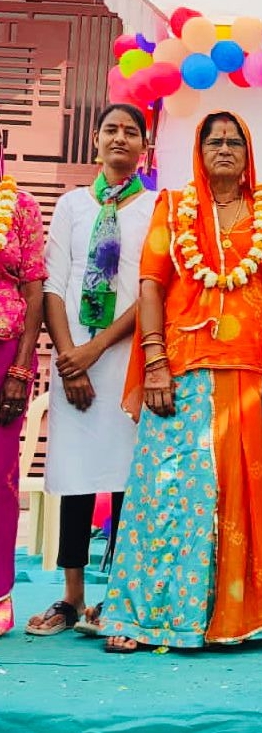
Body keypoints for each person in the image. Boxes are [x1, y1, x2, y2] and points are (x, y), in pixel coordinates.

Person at [99, 111, 262, 652]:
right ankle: (145, 617)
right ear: (199, 151)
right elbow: (152, 285)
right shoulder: (174, 207)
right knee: (165, 490)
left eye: (234, 142)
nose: (224, 149)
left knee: (239, 497)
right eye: (214, 141)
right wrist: (155, 360)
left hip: (249, 369)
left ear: (247, 153)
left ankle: (230, 616)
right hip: (181, 367)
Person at [25, 103, 155, 637]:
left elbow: (151, 290)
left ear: (144, 147)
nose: (119, 138)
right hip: (71, 358)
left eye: (131, 132)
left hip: (124, 359)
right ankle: (73, 597)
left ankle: (117, 598)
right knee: (75, 478)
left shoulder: (156, 208)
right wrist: (67, 356)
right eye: (111, 130)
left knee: (127, 477)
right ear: (96, 142)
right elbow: (53, 282)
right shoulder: (73, 205)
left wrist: (97, 349)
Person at [0, 157, 46, 637]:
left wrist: (19, 368)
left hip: (5, 354)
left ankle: (0, 592)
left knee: (1, 477)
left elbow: (35, 291)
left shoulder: (22, 207)